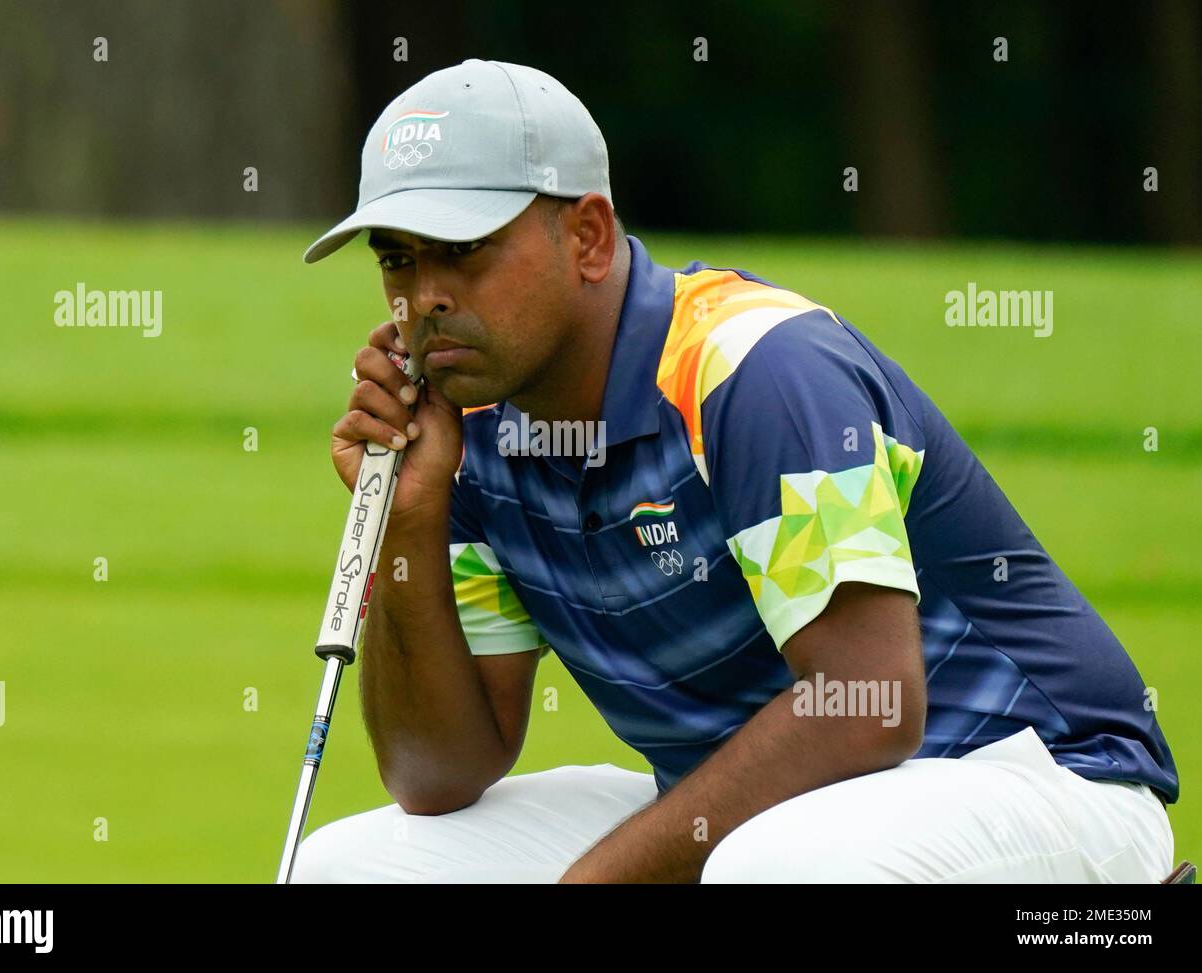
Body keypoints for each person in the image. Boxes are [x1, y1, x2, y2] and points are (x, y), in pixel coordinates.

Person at [291, 59, 1178, 883]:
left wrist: (599, 880)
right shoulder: (468, 426)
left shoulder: (754, 369)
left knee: (769, 869)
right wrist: (410, 516)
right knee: (354, 865)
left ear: (589, 236)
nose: (425, 297)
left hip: (1044, 779)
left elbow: (866, 703)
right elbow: (439, 773)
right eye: (399, 259)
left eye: (465, 249)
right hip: (768, 808)